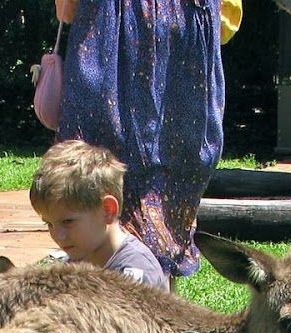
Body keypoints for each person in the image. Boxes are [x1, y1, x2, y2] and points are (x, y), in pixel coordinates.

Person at [54, 0, 224, 284]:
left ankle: (145, 313)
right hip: (173, 33)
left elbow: (66, 10)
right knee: (102, 178)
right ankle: (138, 311)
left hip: (129, 35)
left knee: (107, 179)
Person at [29, 139, 170, 290]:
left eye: (67, 222)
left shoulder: (134, 275)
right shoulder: (78, 261)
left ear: (107, 210)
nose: (58, 236)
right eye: (49, 224)